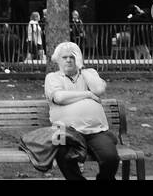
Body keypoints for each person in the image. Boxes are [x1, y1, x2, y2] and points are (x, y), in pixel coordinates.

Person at [44, 41, 118, 181]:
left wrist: (82, 68)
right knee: (63, 154)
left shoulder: (89, 74)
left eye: (72, 57)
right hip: (65, 131)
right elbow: (59, 97)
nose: (68, 60)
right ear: (57, 60)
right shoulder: (52, 78)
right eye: (64, 57)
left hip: (95, 130)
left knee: (110, 158)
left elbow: (99, 90)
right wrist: (87, 94)